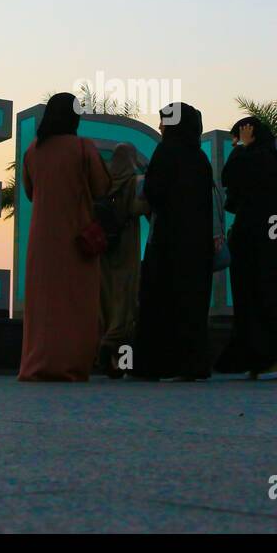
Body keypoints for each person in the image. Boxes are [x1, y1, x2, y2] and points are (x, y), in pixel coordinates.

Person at [18, 92, 110, 382]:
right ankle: (70, 365)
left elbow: (31, 193)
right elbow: (101, 188)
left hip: (41, 242)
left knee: (43, 305)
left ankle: (37, 363)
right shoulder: (83, 147)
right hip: (76, 239)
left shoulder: (33, 150)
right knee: (76, 303)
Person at [214, 116, 277, 381]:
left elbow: (228, 176)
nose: (235, 144)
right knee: (268, 294)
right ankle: (263, 356)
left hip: (255, 239)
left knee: (254, 295)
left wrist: (243, 148)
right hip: (272, 238)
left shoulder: (258, 158)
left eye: (237, 137)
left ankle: (266, 357)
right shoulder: (275, 159)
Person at [134, 103, 214, 381]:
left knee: (160, 301)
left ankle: (157, 365)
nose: (160, 128)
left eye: (164, 122)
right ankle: (192, 364)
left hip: (169, 241)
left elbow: (155, 191)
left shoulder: (166, 152)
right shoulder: (200, 158)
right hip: (198, 244)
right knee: (192, 303)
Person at [96, 143, 150, 378]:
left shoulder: (104, 182)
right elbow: (140, 209)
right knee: (125, 298)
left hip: (105, 249)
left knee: (107, 297)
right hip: (126, 247)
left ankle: (110, 352)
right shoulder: (132, 182)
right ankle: (112, 346)